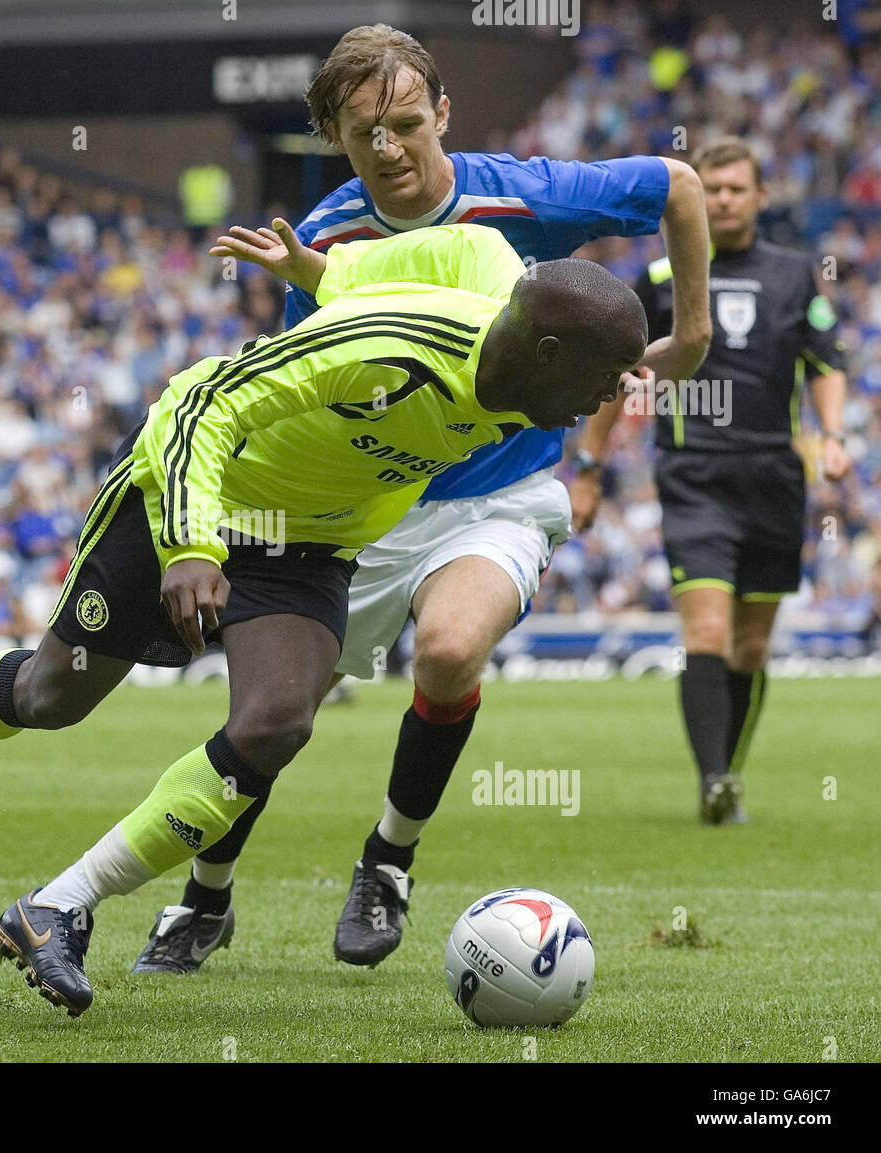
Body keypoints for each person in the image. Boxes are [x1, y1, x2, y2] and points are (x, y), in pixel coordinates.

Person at [0, 222, 650, 1015]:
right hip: (196, 490)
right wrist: (191, 545)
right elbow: (204, 403)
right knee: (51, 697)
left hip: (310, 541)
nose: (615, 396)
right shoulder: (391, 352)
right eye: (611, 376)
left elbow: (409, 258)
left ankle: (58, 905)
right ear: (548, 352)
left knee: (276, 722)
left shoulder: (501, 289)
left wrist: (323, 265)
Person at [131, 23, 712, 974]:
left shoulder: (520, 196)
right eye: (367, 135)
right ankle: (207, 892)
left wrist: (687, 336)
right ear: (340, 141)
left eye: (408, 123)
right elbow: (307, 390)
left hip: (501, 494)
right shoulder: (318, 238)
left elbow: (678, 185)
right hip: (368, 505)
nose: (391, 148)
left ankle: (389, 857)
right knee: (275, 714)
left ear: (443, 111)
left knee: (447, 649)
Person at [635, 136, 849, 823]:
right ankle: (714, 780)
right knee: (705, 632)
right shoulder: (663, 277)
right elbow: (622, 375)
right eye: (713, 188)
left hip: (773, 476)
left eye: (736, 188)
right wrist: (584, 464)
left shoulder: (794, 275)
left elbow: (827, 362)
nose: (723, 199)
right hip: (692, 471)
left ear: (760, 195)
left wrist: (835, 438)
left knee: (751, 645)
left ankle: (726, 777)